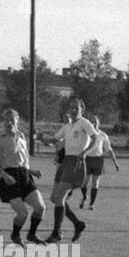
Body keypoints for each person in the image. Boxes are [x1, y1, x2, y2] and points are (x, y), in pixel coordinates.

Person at [0, 109, 46, 245]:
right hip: (10, 179)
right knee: (23, 214)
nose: (9, 123)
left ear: (17, 121)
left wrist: (32, 171)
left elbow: (23, 161)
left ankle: (32, 235)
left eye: (11, 120)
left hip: (25, 176)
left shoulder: (21, 137)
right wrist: (5, 176)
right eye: (6, 120)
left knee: (40, 208)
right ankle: (15, 235)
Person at [46, 99, 98, 243]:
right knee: (55, 198)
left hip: (76, 162)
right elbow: (54, 140)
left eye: (76, 108)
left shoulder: (84, 123)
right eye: (71, 108)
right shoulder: (67, 126)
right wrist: (41, 137)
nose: (73, 110)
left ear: (82, 109)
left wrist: (85, 152)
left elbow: (95, 138)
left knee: (59, 197)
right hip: (65, 162)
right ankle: (77, 224)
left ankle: (56, 233)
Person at [78, 113, 121, 210]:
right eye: (91, 121)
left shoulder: (103, 135)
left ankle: (91, 204)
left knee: (95, 182)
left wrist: (115, 163)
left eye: (95, 121)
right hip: (87, 159)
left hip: (98, 160)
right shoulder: (86, 134)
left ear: (98, 123)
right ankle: (84, 197)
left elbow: (109, 150)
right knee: (84, 182)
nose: (93, 123)